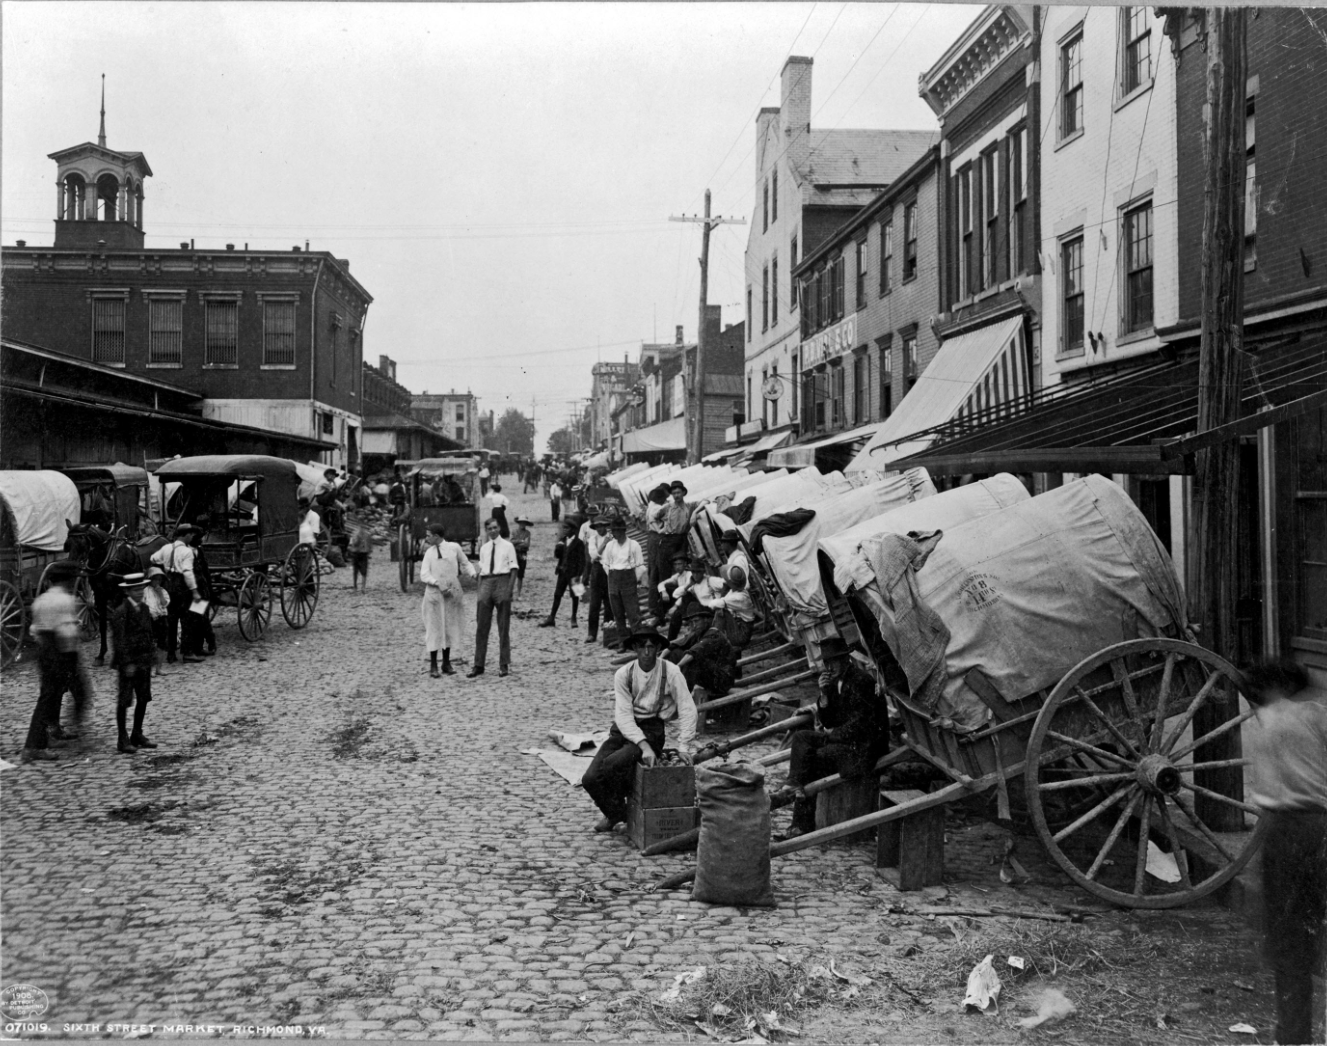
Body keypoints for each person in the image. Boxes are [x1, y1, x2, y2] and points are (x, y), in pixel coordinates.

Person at [1244, 659, 1327, 1045]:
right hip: (1320, 826)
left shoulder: (1265, 726)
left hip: (1284, 832)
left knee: (1290, 943)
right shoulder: (1317, 715)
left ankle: (1294, 1037)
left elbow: (1265, 791)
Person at [581, 626, 697, 833]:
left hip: (652, 728)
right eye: (641, 647)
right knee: (590, 778)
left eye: (651, 647)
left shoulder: (671, 672)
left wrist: (684, 746)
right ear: (635, 648)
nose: (646, 652)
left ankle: (627, 814)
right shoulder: (624, 674)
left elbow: (688, 708)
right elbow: (623, 716)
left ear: (658, 648)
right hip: (624, 729)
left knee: (613, 765)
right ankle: (617, 814)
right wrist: (643, 747)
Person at [771, 636, 889, 838]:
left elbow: (862, 725)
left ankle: (801, 825)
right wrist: (824, 695)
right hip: (845, 740)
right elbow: (828, 721)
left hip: (864, 748)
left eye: (832, 661)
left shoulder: (862, 681)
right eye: (826, 663)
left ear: (846, 659)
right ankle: (794, 783)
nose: (829, 667)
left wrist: (831, 735)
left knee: (815, 759)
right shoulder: (833, 682)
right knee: (801, 738)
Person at [20, 561, 90, 763]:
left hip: (45, 651)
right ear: (69, 580)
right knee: (58, 697)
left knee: (49, 695)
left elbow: (34, 631)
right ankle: (33, 747)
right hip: (62, 651)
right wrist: (71, 661)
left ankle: (49, 735)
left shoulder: (40, 599)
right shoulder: (65, 600)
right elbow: (67, 632)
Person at [110, 573, 158, 754]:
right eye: (135, 589)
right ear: (127, 591)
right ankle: (122, 738)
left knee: (144, 697)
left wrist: (152, 658)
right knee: (124, 700)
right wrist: (127, 663)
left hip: (143, 661)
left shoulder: (145, 609)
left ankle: (137, 733)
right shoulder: (121, 612)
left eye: (141, 589)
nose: (139, 592)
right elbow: (119, 640)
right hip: (128, 664)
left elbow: (148, 634)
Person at [420, 523, 474, 678]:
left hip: (451, 593)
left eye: (429, 535)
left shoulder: (454, 548)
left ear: (436, 536)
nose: (427, 538)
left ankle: (446, 662)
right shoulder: (429, 553)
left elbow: (465, 562)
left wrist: (473, 574)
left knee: (449, 626)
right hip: (434, 595)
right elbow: (424, 574)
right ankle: (433, 665)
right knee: (434, 627)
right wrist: (438, 583)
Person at [469, 518, 518, 678]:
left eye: (495, 527)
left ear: (499, 528)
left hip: (502, 581)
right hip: (486, 583)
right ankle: (478, 664)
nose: (492, 531)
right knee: (481, 626)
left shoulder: (508, 546)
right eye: (489, 528)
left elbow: (514, 569)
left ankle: (504, 664)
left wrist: (509, 591)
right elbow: (482, 570)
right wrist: (480, 591)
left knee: (503, 626)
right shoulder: (484, 548)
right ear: (486, 530)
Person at [150, 525, 205, 663]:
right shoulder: (187, 552)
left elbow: (153, 559)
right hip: (182, 586)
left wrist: (166, 566)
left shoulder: (166, 548)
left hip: (168, 584)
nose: (192, 537)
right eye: (190, 535)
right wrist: (194, 591)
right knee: (187, 619)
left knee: (171, 619)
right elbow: (187, 572)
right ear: (185, 535)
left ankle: (171, 654)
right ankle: (187, 653)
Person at [668, 603, 736, 698]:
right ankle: (672, 687)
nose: (694, 625)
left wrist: (676, 667)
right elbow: (674, 644)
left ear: (706, 620)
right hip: (711, 675)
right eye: (692, 622)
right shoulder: (699, 632)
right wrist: (660, 656)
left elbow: (693, 653)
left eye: (696, 621)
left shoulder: (714, 634)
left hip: (722, 680)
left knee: (693, 660)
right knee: (675, 652)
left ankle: (682, 695)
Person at [601, 517, 645, 648]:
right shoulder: (610, 546)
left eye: (617, 531)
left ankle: (638, 642)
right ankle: (623, 641)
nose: (615, 534)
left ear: (623, 531)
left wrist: (632, 580)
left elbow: (640, 566)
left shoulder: (633, 545)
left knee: (633, 614)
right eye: (613, 531)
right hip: (614, 580)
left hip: (628, 580)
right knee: (618, 614)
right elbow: (606, 564)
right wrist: (613, 577)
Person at [540, 519, 585, 628]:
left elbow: (582, 561)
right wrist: (558, 547)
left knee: (575, 595)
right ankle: (551, 617)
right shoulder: (562, 540)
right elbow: (557, 556)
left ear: (573, 530)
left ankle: (574, 617)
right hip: (562, 571)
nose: (564, 530)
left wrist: (579, 575)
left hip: (574, 573)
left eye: (567, 528)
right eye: (563, 528)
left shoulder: (579, 543)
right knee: (557, 594)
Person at [583, 518, 614, 646]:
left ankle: (608, 633)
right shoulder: (593, 539)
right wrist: (604, 544)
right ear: (595, 528)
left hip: (610, 570)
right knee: (594, 604)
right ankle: (592, 633)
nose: (601, 529)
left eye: (603, 526)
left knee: (609, 604)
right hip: (597, 571)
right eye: (598, 527)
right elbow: (594, 556)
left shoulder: (613, 538)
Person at [644, 485, 671, 621]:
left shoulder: (651, 504)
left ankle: (654, 606)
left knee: (655, 572)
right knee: (657, 572)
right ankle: (656, 608)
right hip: (657, 539)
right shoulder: (655, 507)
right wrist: (670, 505)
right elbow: (657, 514)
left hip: (653, 538)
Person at [144, 566, 171, 675]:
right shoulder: (145, 592)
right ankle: (150, 668)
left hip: (161, 619)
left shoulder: (163, 591)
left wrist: (160, 594)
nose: (157, 582)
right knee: (150, 644)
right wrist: (151, 614)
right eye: (155, 579)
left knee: (162, 644)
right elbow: (144, 606)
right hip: (151, 619)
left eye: (159, 579)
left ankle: (159, 668)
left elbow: (165, 603)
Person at [348, 513, 373, 590]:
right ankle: (363, 587)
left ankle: (356, 585)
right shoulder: (367, 533)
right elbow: (370, 544)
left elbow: (353, 542)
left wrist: (350, 547)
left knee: (356, 570)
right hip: (363, 553)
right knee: (363, 570)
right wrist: (369, 551)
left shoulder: (355, 532)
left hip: (357, 552)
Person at [511, 515, 532, 601]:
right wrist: (522, 541)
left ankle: (519, 594)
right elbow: (512, 542)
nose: (522, 524)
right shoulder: (514, 531)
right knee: (512, 574)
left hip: (523, 554)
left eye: (524, 523)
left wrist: (518, 542)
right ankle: (511, 594)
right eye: (521, 522)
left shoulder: (528, 533)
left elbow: (527, 545)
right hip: (514, 553)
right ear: (519, 523)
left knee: (520, 575)